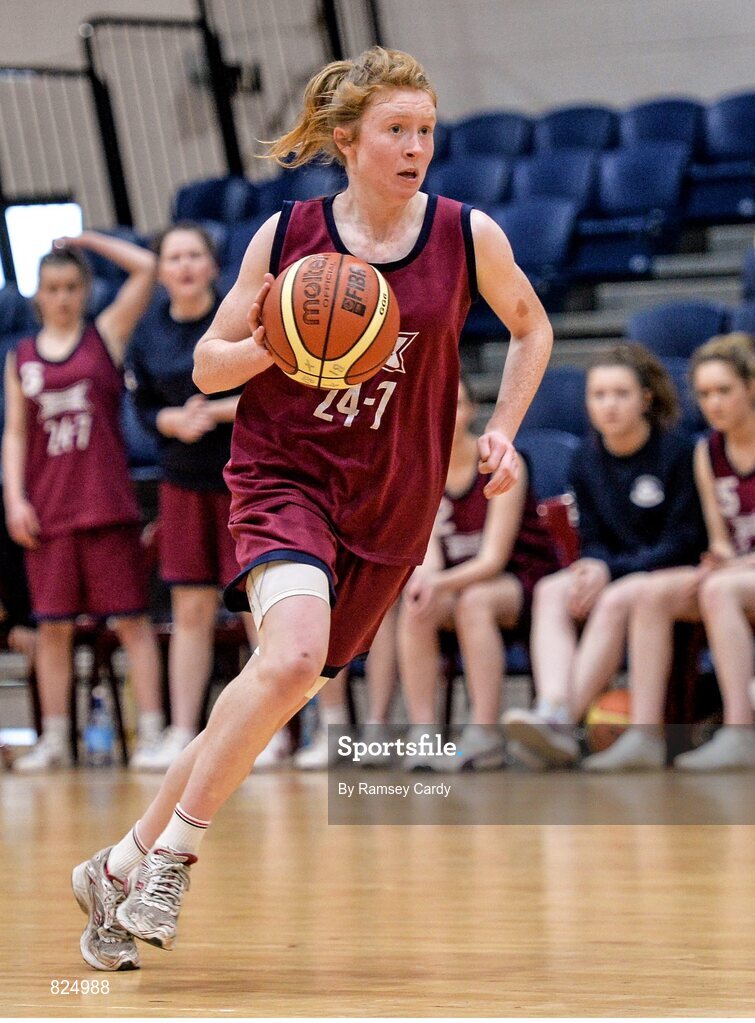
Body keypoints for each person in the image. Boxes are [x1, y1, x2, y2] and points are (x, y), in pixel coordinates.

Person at [72, 46, 553, 972]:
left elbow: (530, 327)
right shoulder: (287, 235)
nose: (416, 147)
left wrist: (503, 430)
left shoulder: (464, 234)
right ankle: (172, 859)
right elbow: (207, 368)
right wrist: (276, 335)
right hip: (283, 475)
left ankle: (119, 864)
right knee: (288, 656)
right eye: (396, 131)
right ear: (348, 140)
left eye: (425, 130)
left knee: (267, 695)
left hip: (392, 500)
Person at [3, 233, 164, 773]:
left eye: (72, 286)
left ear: (85, 290)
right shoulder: (19, 356)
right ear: (38, 295)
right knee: (52, 629)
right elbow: (16, 435)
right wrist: (13, 498)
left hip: (105, 505)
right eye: (53, 288)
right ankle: (52, 739)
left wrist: (84, 240)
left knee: (132, 624)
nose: (63, 297)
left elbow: (148, 267)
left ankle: (154, 733)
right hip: (47, 512)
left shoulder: (105, 337)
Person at [502, 343, 706, 767]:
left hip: (670, 572)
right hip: (619, 570)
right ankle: (552, 708)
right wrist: (591, 565)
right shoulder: (584, 459)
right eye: (599, 395)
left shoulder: (678, 452)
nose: (609, 405)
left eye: (620, 394)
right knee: (552, 591)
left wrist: (609, 570)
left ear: (645, 399)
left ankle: (561, 726)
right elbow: (591, 536)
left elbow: (684, 541)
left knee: (616, 597)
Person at [581, 333, 755, 771]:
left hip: (741, 575)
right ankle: (646, 737)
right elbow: (719, 538)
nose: (713, 403)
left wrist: (727, 569)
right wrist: (717, 559)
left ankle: (740, 731)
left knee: (719, 591)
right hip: (737, 571)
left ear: (750, 388)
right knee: (651, 591)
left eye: (724, 391)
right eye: (704, 393)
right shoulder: (705, 451)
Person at [125, 223, 256, 771]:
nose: (183, 266)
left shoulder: (233, 318)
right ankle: (183, 730)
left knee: (255, 606)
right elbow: (144, 408)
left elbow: (271, 384)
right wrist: (170, 420)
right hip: (180, 482)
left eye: (193, 255)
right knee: (191, 608)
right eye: (173, 257)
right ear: (161, 270)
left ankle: (267, 736)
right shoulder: (147, 332)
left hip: (240, 480)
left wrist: (220, 410)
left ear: (211, 264)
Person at [399, 374, 559, 769]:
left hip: (520, 579)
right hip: (456, 581)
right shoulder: (422, 467)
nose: (446, 414)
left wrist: (438, 582)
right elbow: (430, 551)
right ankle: (423, 732)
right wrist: (426, 582)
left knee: (474, 601)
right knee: (417, 605)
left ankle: (484, 732)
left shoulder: (501, 460)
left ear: (471, 411)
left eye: (455, 404)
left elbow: (493, 559)